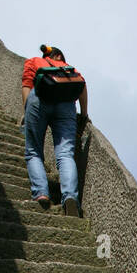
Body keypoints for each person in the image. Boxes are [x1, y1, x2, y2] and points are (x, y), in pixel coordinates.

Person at [21, 45, 89, 216]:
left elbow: (27, 86)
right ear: (59, 56)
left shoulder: (35, 61)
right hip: (67, 105)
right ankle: (70, 198)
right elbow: (82, 87)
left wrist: (26, 111)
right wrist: (83, 114)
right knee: (65, 154)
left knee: (33, 151)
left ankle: (42, 193)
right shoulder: (68, 69)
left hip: (39, 99)